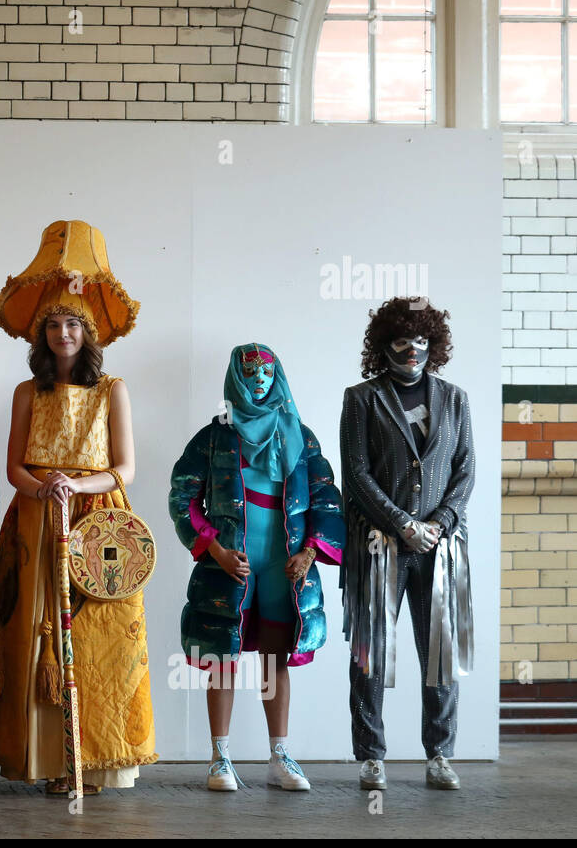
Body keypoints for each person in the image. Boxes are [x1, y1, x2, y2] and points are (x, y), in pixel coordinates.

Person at [0, 302, 157, 794]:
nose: (63, 333)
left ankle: (94, 760)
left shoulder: (111, 389)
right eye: (54, 325)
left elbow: (126, 467)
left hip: (98, 522)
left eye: (73, 323)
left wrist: (76, 487)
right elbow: (13, 466)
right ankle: (48, 760)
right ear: (42, 335)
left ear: (88, 332)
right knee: (35, 636)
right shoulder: (25, 392)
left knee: (99, 639)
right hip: (37, 517)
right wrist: (43, 488)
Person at [168, 343, 344, 792]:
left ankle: (279, 756)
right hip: (229, 570)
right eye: (250, 374)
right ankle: (219, 758)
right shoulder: (214, 437)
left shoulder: (300, 437)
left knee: (273, 659)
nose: (259, 380)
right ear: (236, 380)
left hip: (283, 569)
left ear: (277, 376)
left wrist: (308, 553)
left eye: (266, 372)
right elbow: (182, 497)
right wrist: (214, 549)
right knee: (221, 657)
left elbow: (326, 497)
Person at [340, 296, 475, 791]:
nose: (412, 349)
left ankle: (440, 754)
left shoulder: (455, 398)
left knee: (438, 652)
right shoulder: (361, 399)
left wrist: (438, 521)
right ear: (385, 345)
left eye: (421, 339)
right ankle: (371, 756)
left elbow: (466, 469)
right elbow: (355, 474)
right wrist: (402, 524)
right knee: (371, 652)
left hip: (441, 547)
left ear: (433, 343)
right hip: (381, 545)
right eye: (401, 340)